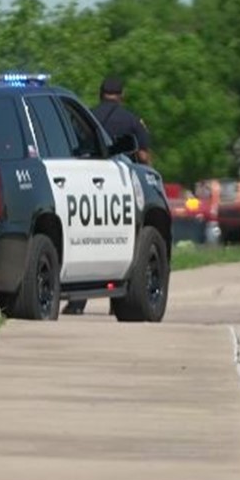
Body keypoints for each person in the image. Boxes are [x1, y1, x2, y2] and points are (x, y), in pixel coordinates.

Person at [62, 75, 153, 316]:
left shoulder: (85, 116)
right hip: (121, 188)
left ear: (100, 93)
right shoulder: (132, 120)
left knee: (88, 241)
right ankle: (118, 303)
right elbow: (143, 157)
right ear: (121, 95)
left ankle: (77, 302)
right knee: (125, 243)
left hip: (84, 184)